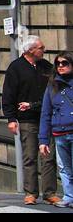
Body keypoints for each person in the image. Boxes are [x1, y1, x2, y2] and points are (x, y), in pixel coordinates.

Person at [2, 34, 58, 205]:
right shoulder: (16, 68)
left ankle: (49, 193)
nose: (44, 50)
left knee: (48, 157)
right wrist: (11, 118)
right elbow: (8, 94)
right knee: (30, 156)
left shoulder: (46, 66)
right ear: (31, 50)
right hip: (27, 119)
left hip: (46, 118)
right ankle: (31, 193)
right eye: (41, 48)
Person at [38, 52, 73, 208]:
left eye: (64, 63)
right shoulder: (53, 85)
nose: (60, 66)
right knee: (64, 168)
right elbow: (45, 113)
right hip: (59, 134)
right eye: (58, 63)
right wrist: (43, 140)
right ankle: (69, 196)